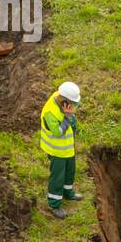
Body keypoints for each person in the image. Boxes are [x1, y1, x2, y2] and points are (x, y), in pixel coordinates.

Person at [40, 81, 81, 218]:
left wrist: (71, 117)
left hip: (67, 148)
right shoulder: (50, 112)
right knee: (57, 177)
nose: (74, 106)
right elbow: (58, 132)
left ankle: (68, 193)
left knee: (70, 171)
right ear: (64, 100)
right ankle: (54, 204)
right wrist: (68, 117)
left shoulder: (62, 96)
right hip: (57, 151)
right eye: (72, 103)